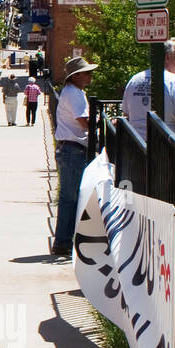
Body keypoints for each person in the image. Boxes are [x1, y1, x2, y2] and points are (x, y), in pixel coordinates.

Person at [53, 56, 97, 258]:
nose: (90, 76)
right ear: (77, 76)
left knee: (70, 198)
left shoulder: (73, 92)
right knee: (70, 198)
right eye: (87, 72)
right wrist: (98, 132)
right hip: (72, 150)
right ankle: (63, 242)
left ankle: (65, 241)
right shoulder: (74, 93)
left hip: (70, 149)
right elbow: (83, 120)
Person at [122, 40, 175, 143]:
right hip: (165, 149)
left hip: (136, 146)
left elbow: (127, 114)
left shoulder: (134, 80)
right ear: (167, 57)